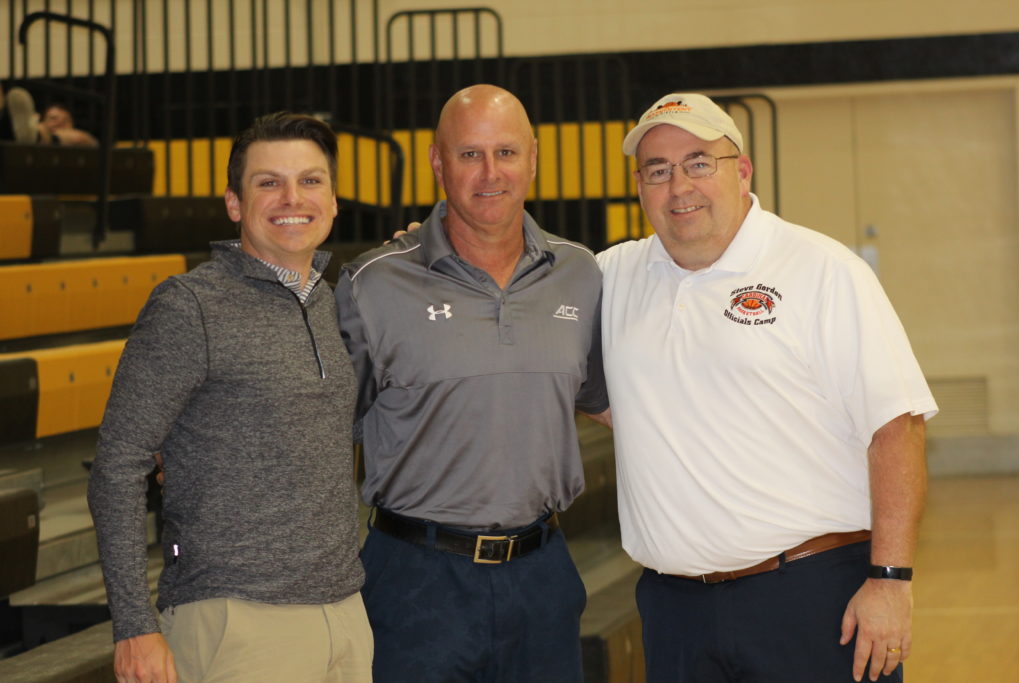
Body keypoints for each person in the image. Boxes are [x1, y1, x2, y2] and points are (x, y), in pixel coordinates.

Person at [598, 93, 938, 683]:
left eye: (699, 162)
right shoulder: (611, 277)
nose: (679, 186)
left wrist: (890, 581)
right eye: (658, 170)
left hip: (813, 600)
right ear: (640, 186)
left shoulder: (822, 271)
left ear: (743, 169)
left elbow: (897, 427)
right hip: (675, 612)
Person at [334, 84, 609, 683]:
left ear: (533, 158)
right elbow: (321, 436)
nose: (491, 173)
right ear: (438, 162)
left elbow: (611, 403)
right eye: (469, 155)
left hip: (542, 578)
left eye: (506, 153)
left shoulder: (581, 274)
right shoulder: (372, 286)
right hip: (415, 580)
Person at [87, 112, 372, 683]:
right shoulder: (189, 307)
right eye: (269, 182)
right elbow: (117, 467)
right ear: (234, 204)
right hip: (236, 622)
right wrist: (134, 625)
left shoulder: (331, 302)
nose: (293, 197)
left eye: (311, 181)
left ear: (335, 201)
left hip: (345, 613)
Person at [0, 85, 97, 147]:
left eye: (65, 120)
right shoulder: (43, 129)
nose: (59, 122)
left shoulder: (81, 138)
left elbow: (92, 143)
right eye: (53, 118)